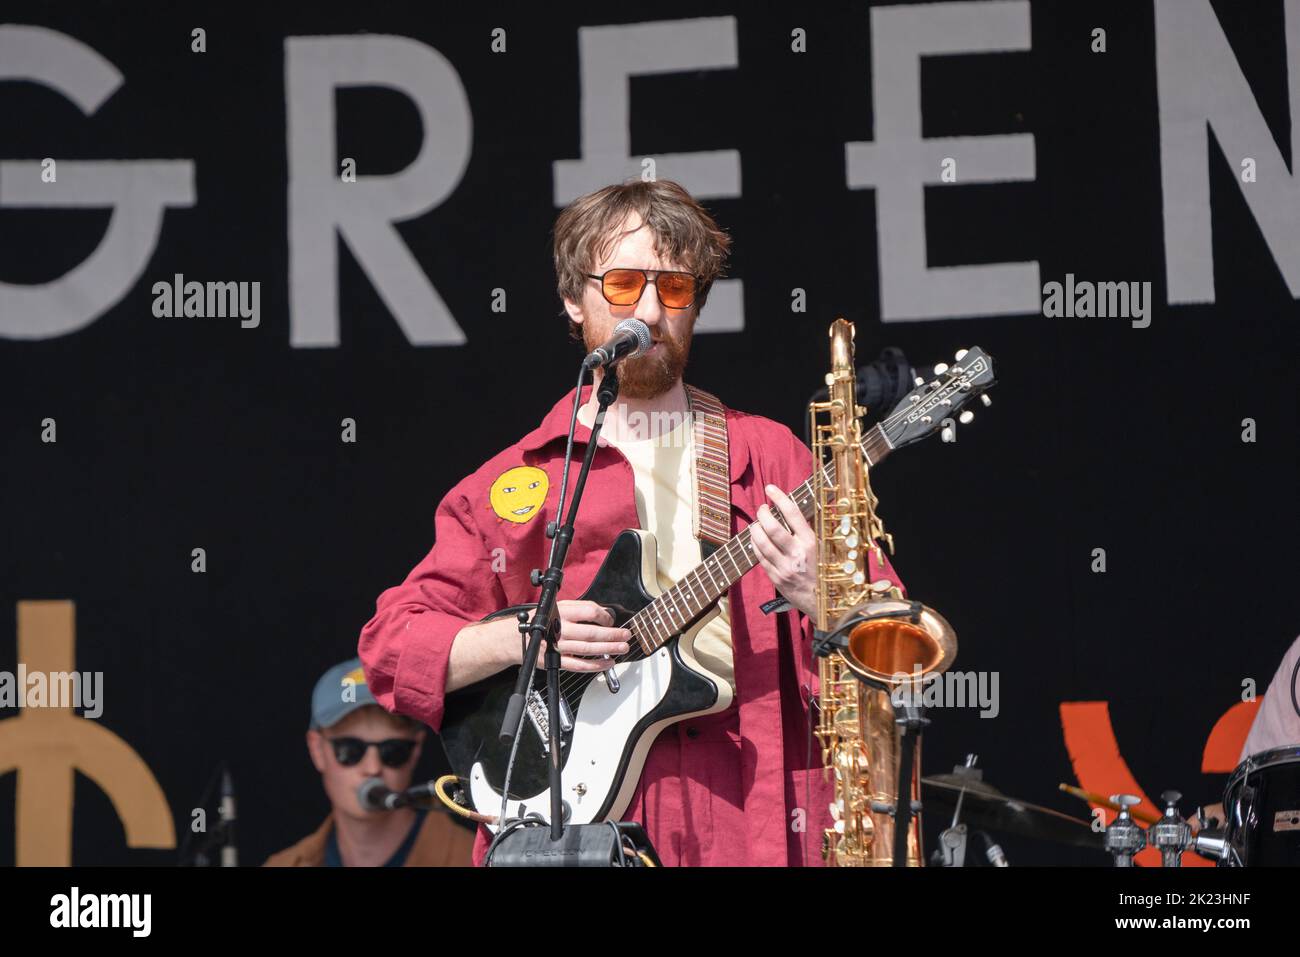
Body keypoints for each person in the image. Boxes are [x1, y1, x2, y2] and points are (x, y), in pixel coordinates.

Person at [358, 179, 904, 866]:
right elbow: (391, 645)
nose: (650, 309)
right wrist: (524, 636)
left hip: (751, 814)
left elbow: (900, 646)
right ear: (571, 297)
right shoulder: (511, 486)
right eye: (622, 283)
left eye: (675, 289)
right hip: (575, 832)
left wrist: (822, 595)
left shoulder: (769, 457)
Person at [264, 658, 474, 867]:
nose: (372, 768)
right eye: (350, 750)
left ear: (416, 750)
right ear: (317, 749)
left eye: (393, 751)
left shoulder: (477, 860)